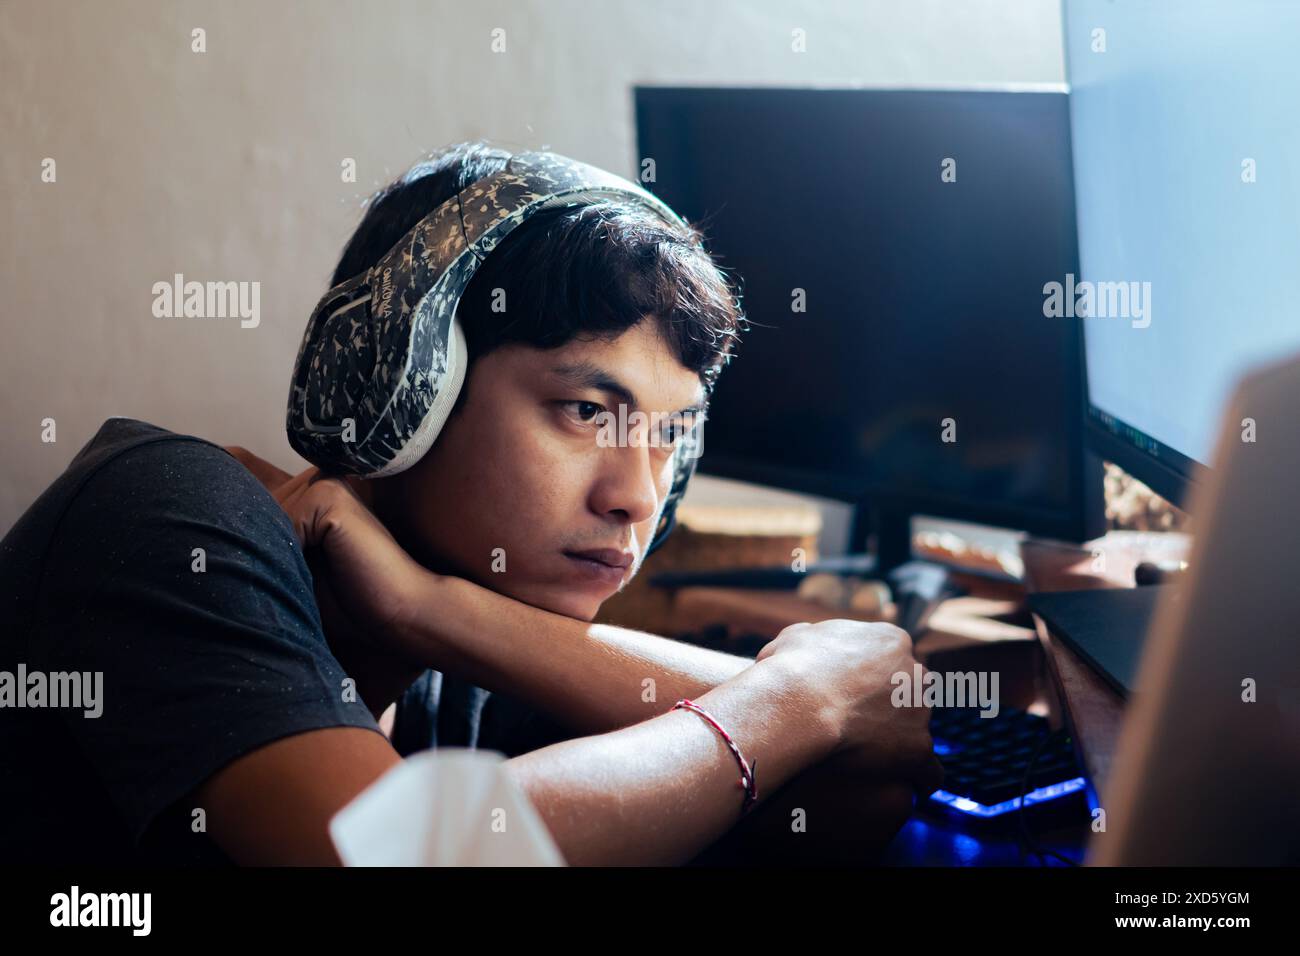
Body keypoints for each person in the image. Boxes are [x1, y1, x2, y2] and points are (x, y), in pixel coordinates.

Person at [0, 141, 941, 865]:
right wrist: (791, 697)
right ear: (398, 392)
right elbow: (378, 851)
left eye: (669, 432)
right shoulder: (169, 512)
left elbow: (872, 755)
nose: (637, 496)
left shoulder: (472, 614)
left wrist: (434, 613)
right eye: (585, 411)